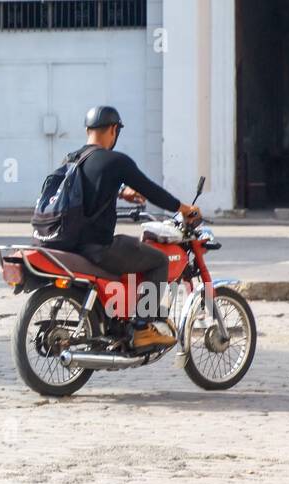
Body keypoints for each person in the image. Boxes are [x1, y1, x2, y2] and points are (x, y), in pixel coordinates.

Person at [69, 105, 201, 349]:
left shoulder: (72, 159)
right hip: (99, 247)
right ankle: (142, 328)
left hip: (70, 245)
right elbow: (151, 191)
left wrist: (121, 193)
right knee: (159, 260)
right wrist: (184, 208)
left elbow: (88, 190)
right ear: (113, 129)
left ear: (88, 130)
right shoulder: (116, 161)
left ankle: (120, 318)